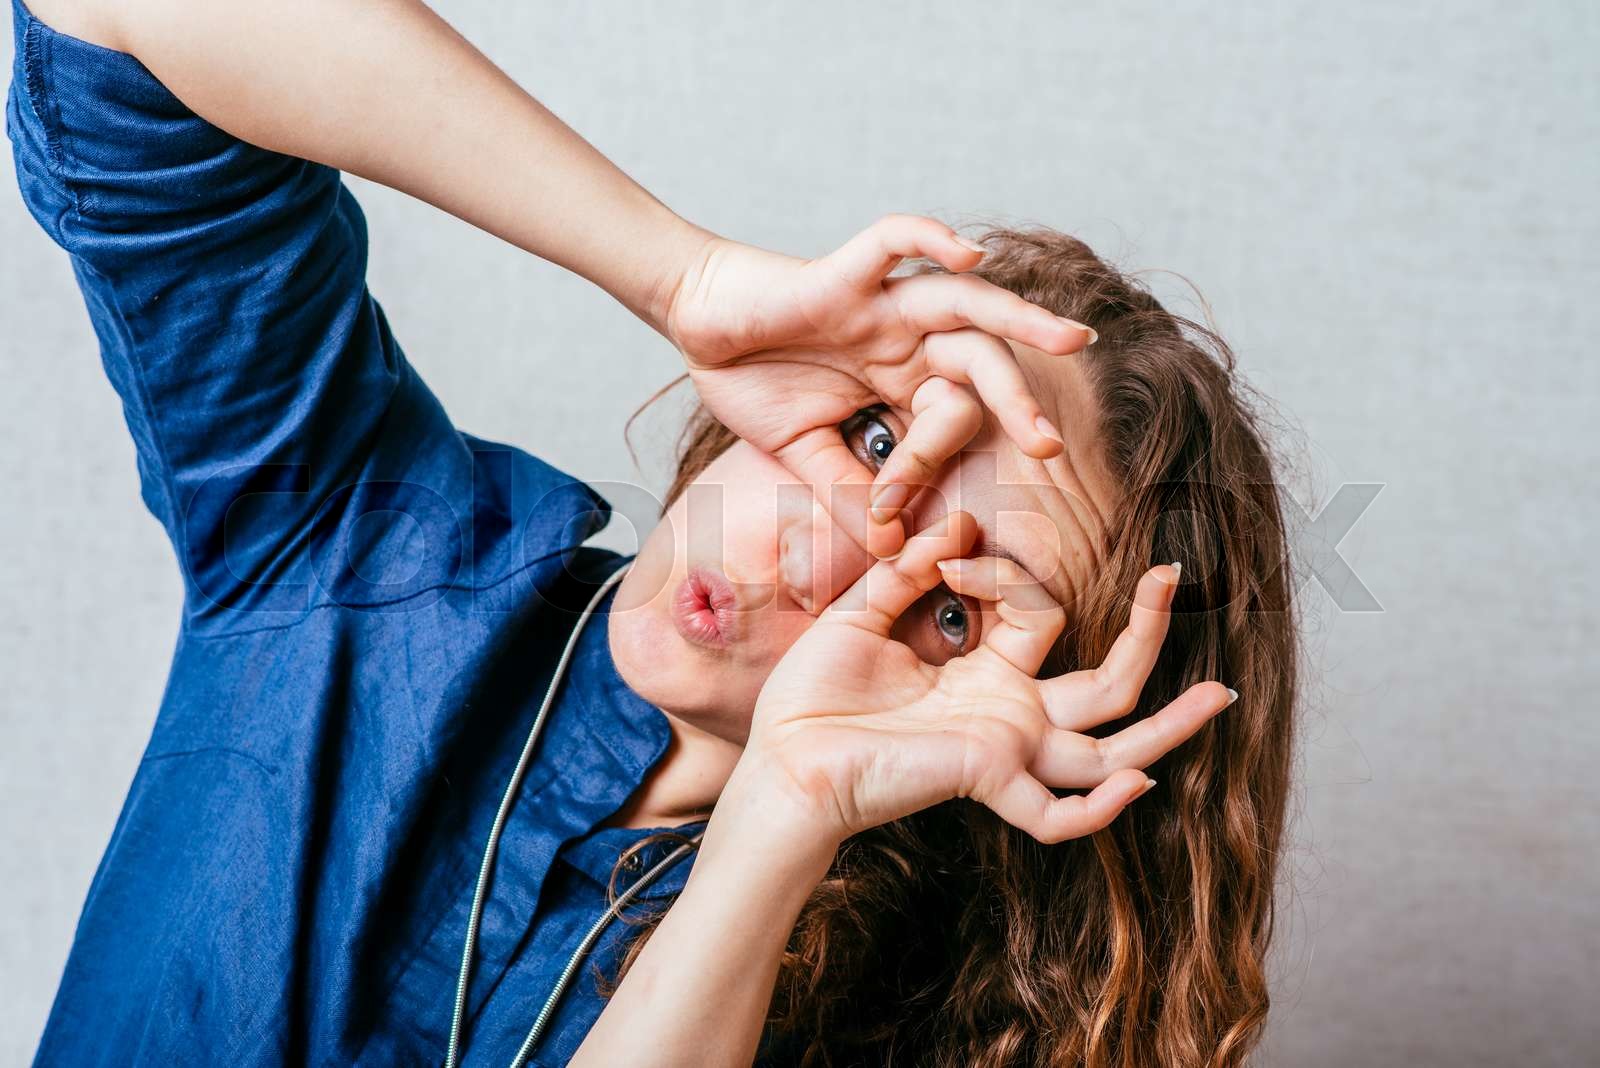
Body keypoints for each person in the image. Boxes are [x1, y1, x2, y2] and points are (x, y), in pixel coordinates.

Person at [7, 1, 1296, 1065]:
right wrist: (677, 275)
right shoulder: (355, 550)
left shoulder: (905, 1019)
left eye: (952, 608)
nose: (810, 560)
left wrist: (788, 812)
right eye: (878, 439)